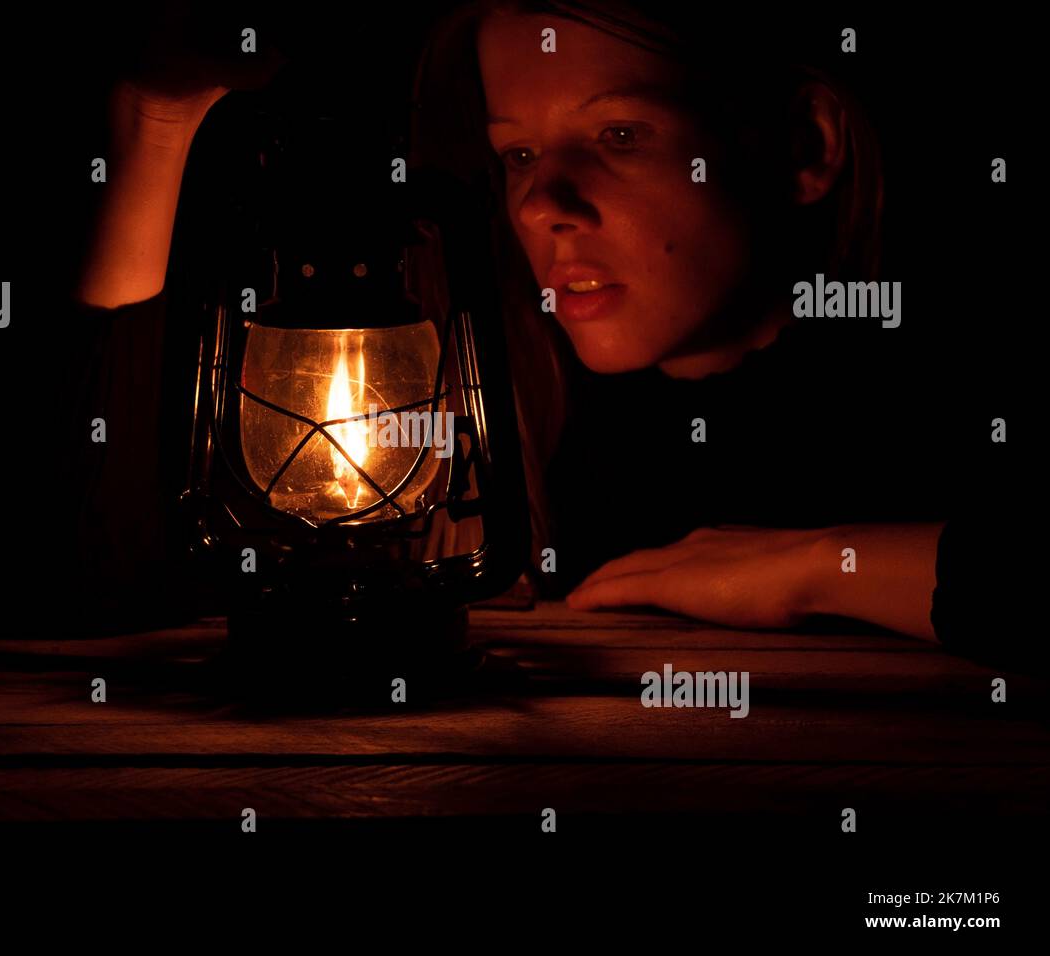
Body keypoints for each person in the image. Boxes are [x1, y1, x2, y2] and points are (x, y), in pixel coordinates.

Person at [71, 2, 1035, 666]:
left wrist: (822, 567)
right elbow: (119, 558)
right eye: (518, 153)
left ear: (803, 148)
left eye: (619, 136)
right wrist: (159, 127)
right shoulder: (519, 424)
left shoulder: (965, 380)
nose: (543, 201)